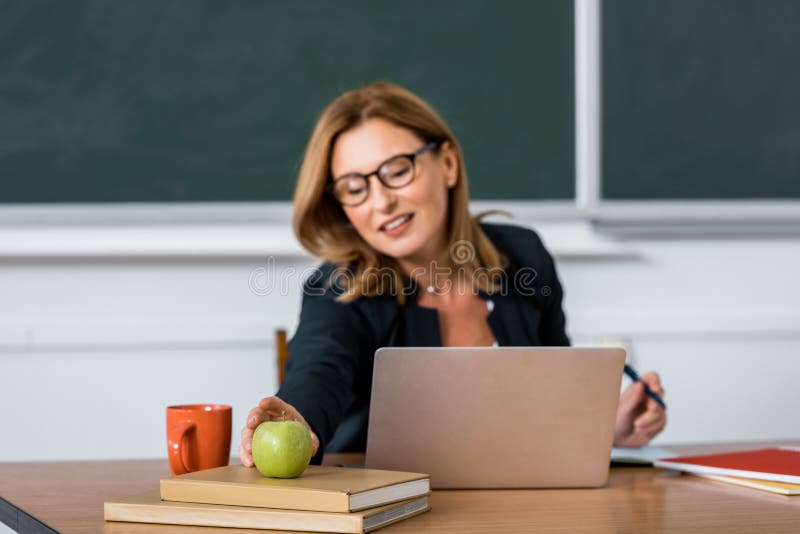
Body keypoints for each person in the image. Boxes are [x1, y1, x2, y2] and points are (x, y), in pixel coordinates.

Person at [239, 82, 666, 467]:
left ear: (447, 163)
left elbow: (555, 398)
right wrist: (298, 416)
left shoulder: (523, 257)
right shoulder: (337, 287)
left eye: (397, 171)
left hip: (527, 506)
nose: (382, 201)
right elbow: (319, 369)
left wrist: (607, 431)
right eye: (355, 187)